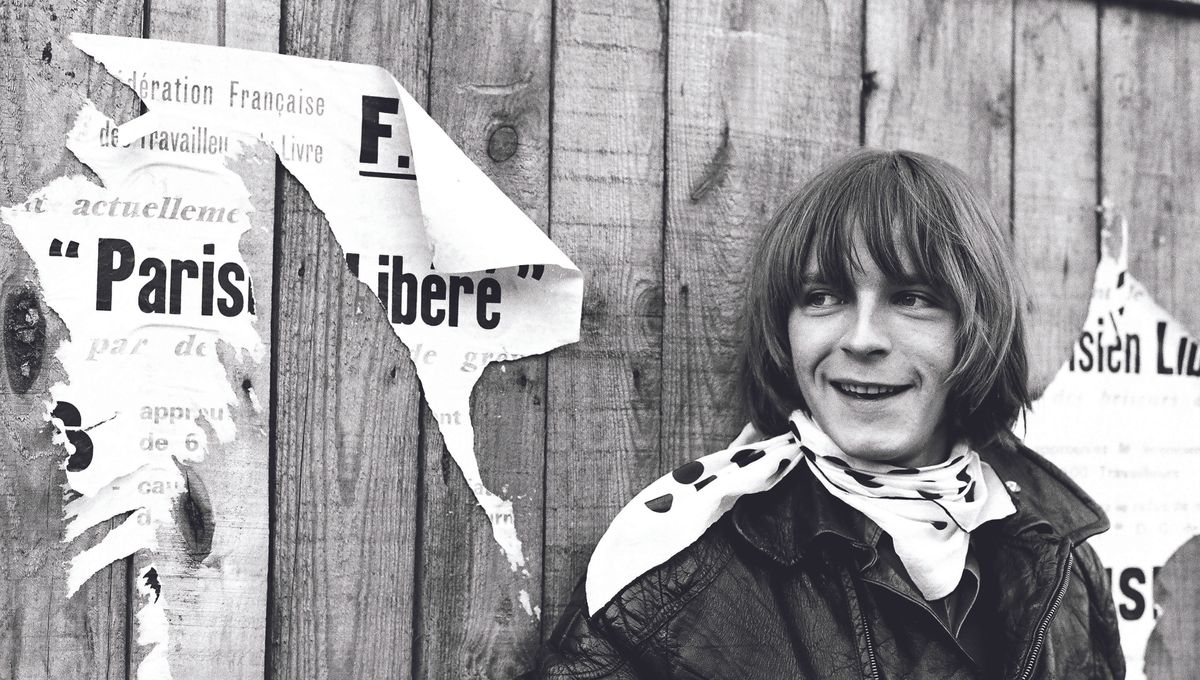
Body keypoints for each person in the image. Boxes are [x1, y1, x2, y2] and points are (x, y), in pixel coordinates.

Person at [527, 149, 1124, 679]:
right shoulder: (678, 574)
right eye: (823, 297)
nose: (862, 339)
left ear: (978, 329)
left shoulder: (1058, 557)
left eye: (913, 298)